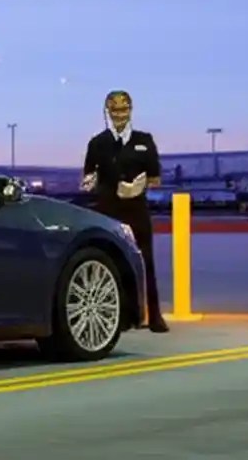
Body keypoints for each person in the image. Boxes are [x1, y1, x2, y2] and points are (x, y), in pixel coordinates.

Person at [81, 89, 169, 333]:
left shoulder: (145, 140)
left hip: (137, 210)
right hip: (108, 212)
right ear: (107, 112)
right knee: (109, 263)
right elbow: (87, 179)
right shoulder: (97, 143)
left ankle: (155, 317)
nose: (119, 114)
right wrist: (93, 182)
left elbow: (156, 178)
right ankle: (120, 317)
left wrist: (140, 185)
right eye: (115, 110)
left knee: (146, 262)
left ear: (131, 110)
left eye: (124, 109)